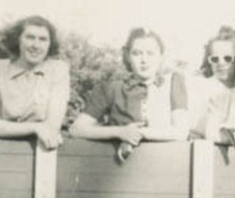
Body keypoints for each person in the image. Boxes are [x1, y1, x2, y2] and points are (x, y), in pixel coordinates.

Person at [70, 27, 189, 161]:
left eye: (150, 53)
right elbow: (76, 129)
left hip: (167, 162)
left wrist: (140, 133)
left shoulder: (173, 83)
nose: (144, 60)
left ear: (161, 56)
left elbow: (181, 132)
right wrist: (119, 132)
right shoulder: (112, 88)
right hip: (122, 166)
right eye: (136, 53)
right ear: (127, 56)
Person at [0, 15, 70, 151]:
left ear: (50, 44)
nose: (36, 45)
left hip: (42, 148)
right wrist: (35, 127)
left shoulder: (58, 70)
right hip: (1, 149)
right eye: (30, 37)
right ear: (18, 40)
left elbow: (52, 125)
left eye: (43, 39)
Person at [188, 26, 235, 137]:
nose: (220, 63)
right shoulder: (201, 88)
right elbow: (193, 127)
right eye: (215, 59)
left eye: (227, 58)